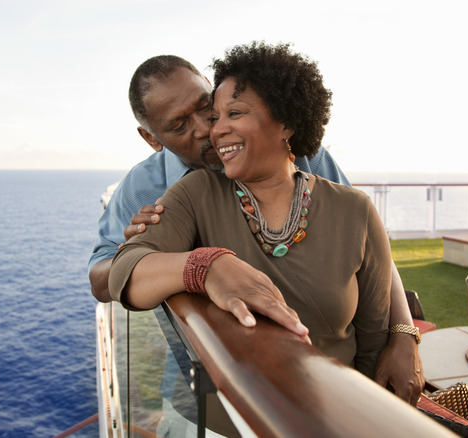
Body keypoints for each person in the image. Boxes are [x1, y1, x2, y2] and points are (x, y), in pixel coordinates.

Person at [89, 54, 424, 403]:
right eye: (179, 126)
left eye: (209, 108)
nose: (207, 128)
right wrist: (172, 260)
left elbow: (365, 247)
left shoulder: (303, 156)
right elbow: (103, 277)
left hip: (332, 396)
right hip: (206, 380)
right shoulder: (153, 190)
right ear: (152, 138)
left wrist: (403, 333)